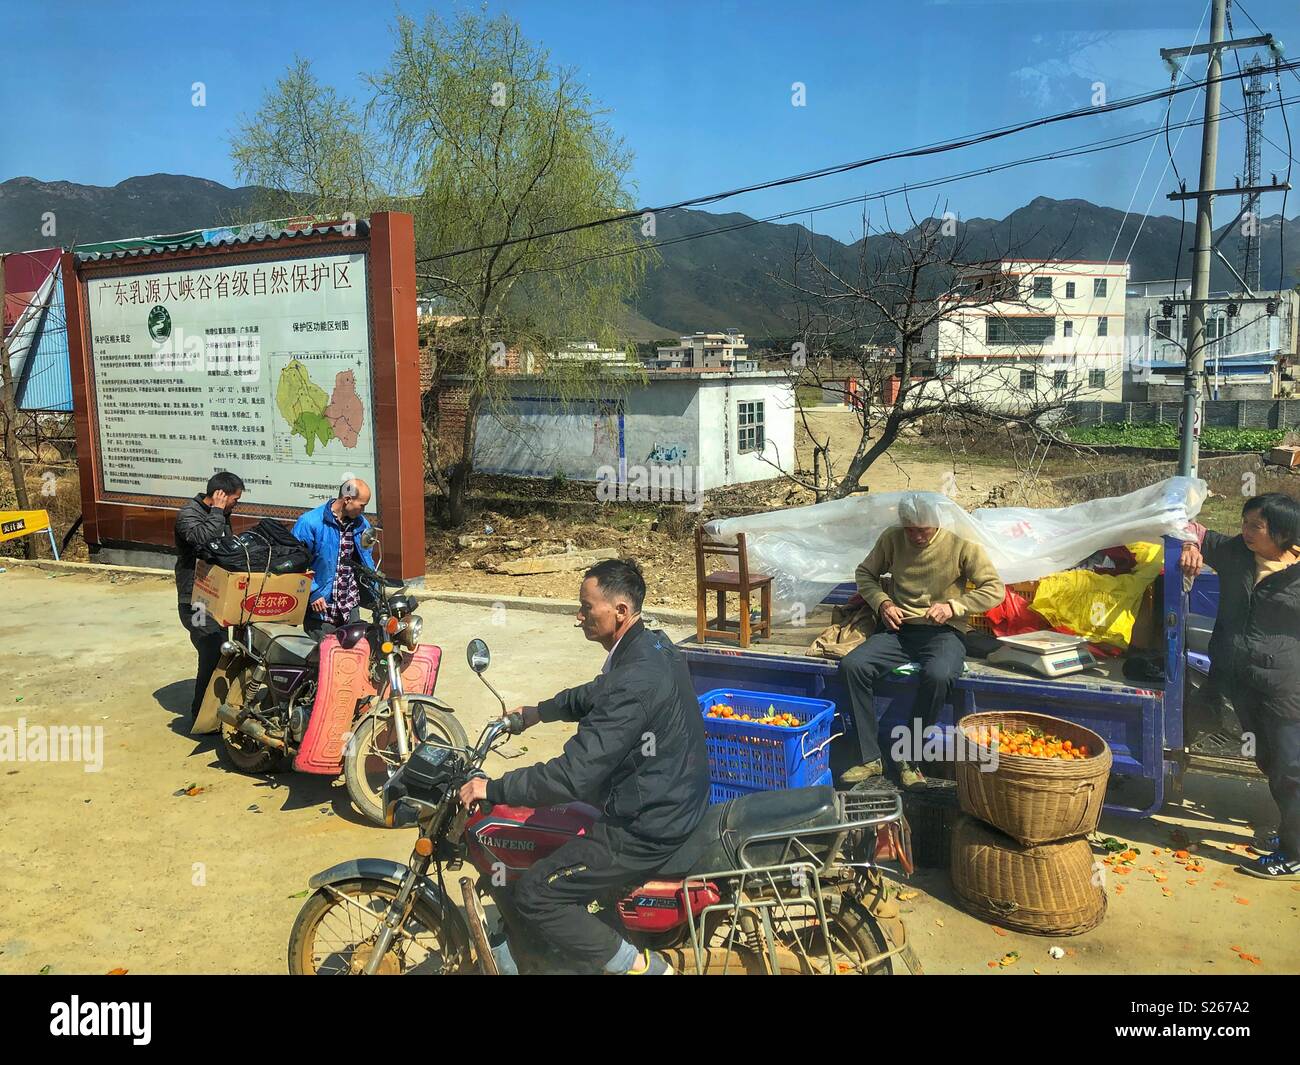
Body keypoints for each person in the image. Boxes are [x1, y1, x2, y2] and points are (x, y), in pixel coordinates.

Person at [457, 558, 711, 975]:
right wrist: (539, 712)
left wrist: (495, 789)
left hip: (647, 826)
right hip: (674, 797)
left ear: (620, 612)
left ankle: (644, 969)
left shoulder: (634, 679)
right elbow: (598, 692)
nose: (579, 616)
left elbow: (574, 775)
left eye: (586, 607)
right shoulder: (653, 646)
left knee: (537, 893)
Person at [838, 493, 1004, 790]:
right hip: (900, 630)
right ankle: (869, 757)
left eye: (923, 530)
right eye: (909, 529)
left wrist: (954, 607)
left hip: (944, 632)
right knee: (853, 666)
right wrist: (883, 604)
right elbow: (865, 574)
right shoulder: (892, 538)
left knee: (939, 675)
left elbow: (995, 589)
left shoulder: (959, 542)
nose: (915, 536)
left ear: (937, 522)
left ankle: (909, 758)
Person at [1181, 492, 1300, 881]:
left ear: (1281, 533)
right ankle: (1289, 836)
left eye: (1255, 526)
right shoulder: (1235, 552)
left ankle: (1295, 853)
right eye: (1244, 522)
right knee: (1269, 761)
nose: (1245, 531)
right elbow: (1190, 528)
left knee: (1291, 768)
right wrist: (1189, 545)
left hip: (1285, 687)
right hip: (1241, 681)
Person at [175, 472, 244, 719]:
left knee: (225, 651)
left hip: (217, 598)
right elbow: (203, 540)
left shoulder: (222, 516)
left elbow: (225, 549)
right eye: (235, 500)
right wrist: (217, 511)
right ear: (220, 496)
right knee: (212, 650)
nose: (236, 505)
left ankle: (220, 710)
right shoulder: (188, 515)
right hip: (193, 602)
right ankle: (201, 715)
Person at [292, 478, 376, 640]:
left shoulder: (361, 524)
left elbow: (366, 559)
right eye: (362, 505)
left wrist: (375, 590)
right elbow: (296, 562)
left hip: (349, 601)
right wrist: (313, 592)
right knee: (323, 657)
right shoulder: (310, 523)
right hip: (321, 606)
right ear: (347, 500)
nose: (363, 510)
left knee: (353, 655)